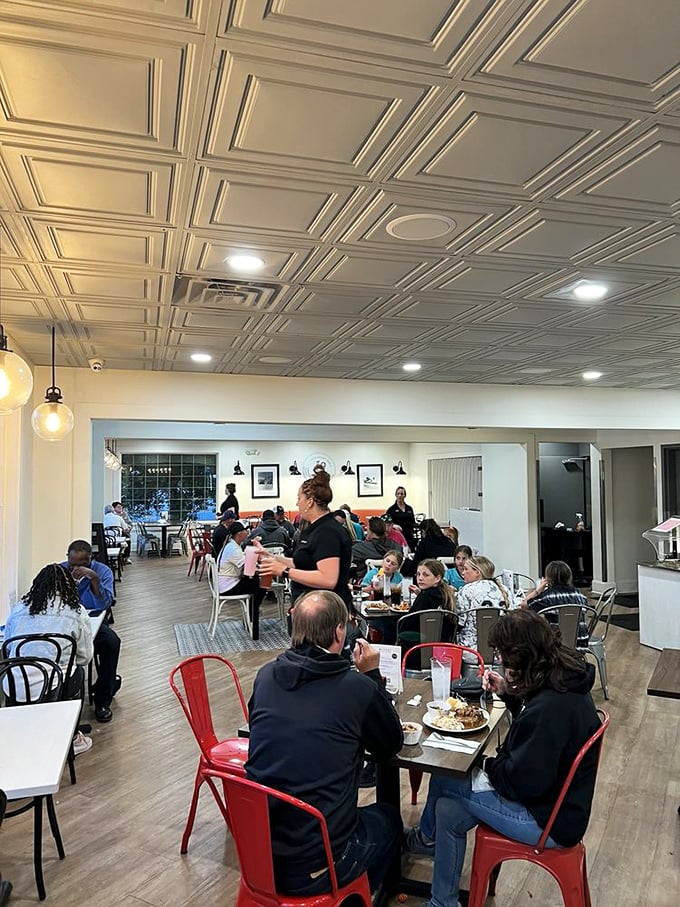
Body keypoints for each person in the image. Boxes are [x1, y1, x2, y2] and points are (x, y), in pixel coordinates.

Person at [404, 609, 602, 907]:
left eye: (503, 656)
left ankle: (425, 841)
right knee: (447, 809)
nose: (500, 660)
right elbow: (533, 743)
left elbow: (520, 781)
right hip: (558, 802)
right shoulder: (564, 679)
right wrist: (510, 693)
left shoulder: (551, 709)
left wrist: (482, 764)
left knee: (448, 775)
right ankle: (441, 899)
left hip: (547, 820)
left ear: (521, 657)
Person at [245, 589, 403, 897]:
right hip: (319, 863)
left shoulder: (266, 676)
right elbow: (389, 745)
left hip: (259, 852)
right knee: (389, 819)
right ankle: (359, 897)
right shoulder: (355, 687)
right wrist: (371, 675)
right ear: (339, 631)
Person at [3, 563, 94, 754]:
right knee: (77, 671)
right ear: (69, 585)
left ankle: (23, 734)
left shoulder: (19, 609)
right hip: (53, 686)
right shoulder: (76, 611)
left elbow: (9, 646)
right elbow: (85, 657)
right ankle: (71, 736)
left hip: (14, 684)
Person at [257, 467, 353, 611]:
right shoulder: (314, 528)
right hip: (309, 605)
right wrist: (271, 557)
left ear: (310, 502)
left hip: (325, 611)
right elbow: (303, 563)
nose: (297, 503)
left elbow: (328, 579)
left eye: (299, 498)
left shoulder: (327, 532)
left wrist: (284, 571)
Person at [61, 540, 122, 723]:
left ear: (90, 560)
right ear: (67, 559)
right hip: (65, 622)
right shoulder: (60, 571)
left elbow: (105, 604)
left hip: (92, 620)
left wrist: (93, 579)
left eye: (82, 564)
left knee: (111, 643)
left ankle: (103, 699)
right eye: (73, 564)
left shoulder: (102, 572)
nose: (77, 568)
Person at [456, 555, 511, 651]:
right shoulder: (505, 589)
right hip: (501, 650)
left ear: (477, 572)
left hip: (471, 650)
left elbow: (458, 623)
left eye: (465, 569)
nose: (463, 573)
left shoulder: (466, 590)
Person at [216, 521, 266, 610]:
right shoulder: (233, 549)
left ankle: (252, 614)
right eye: (246, 530)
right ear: (239, 534)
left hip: (225, 583)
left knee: (256, 582)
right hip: (228, 586)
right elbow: (249, 568)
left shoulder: (231, 545)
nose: (248, 532)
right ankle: (253, 614)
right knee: (261, 585)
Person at [362, 550, 406, 645]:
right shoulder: (373, 573)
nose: (389, 564)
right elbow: (361, 591)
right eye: (387, 561)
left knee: (399, 626)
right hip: (375, 613)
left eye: (393, 564)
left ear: (397, 567)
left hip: (392, 613)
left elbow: (402, 593)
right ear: (383, 561)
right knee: (389, 629)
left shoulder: (398, 577)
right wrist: (373, 586)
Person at [522, 560, 588, 613]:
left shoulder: (547, 597)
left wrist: (538, 590)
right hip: (578, 629)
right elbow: (586, 609)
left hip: (554, 629)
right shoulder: (579, 595)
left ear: (548, 579)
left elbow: (524, 606)